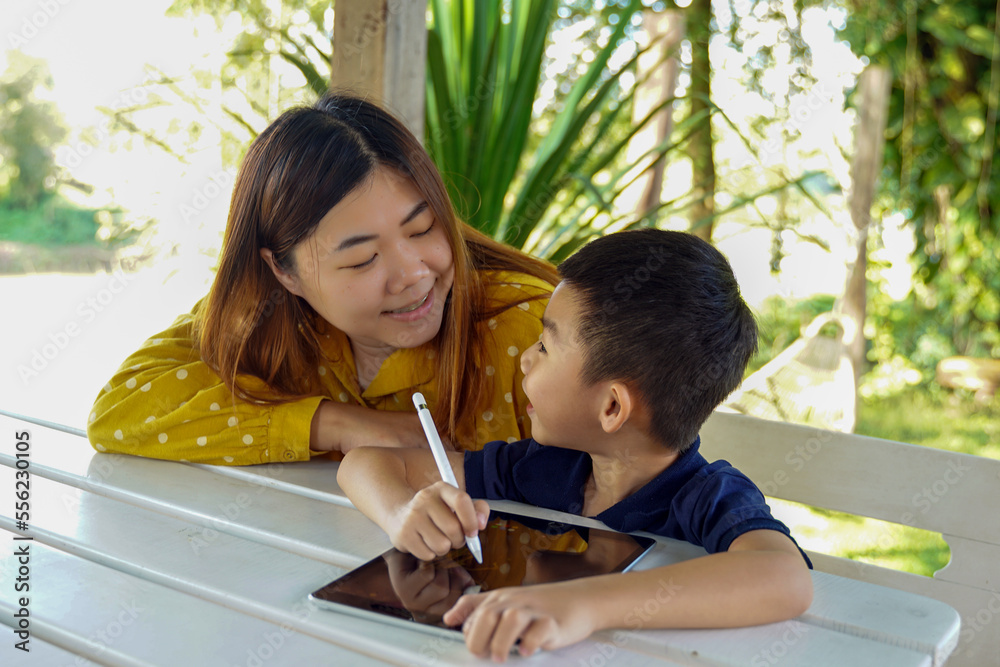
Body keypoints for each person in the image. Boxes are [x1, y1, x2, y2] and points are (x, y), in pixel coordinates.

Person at [338, 229, 814, 662]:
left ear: (611, 408)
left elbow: (785, 578)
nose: (524, 359)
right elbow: (365, 463)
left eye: (544, 347)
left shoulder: (705, 495)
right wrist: (401, 513)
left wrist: (581, 604)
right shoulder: (545, 468)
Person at [86, 92, 558, 465]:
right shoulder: (264, 315)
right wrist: (333, 424)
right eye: (361, 260)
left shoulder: (533, 330)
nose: (413, 274)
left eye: (423, 228)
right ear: (283, 271)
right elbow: (119, 412)